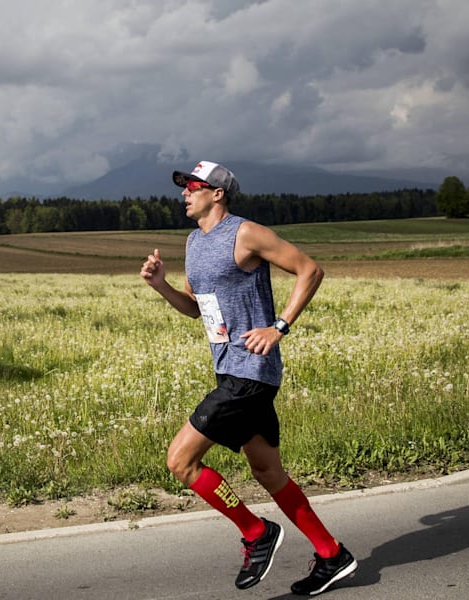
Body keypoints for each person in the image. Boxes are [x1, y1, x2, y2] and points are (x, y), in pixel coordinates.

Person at [139, 161, 357, 595]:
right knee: (267, 471)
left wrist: (279, 327)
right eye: (183, 188)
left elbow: (310, 270)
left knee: (180, 461)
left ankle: (256, 533)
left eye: (193, 187)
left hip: (250, 372)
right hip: (230, 370)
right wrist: (162, 286)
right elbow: (199, 309)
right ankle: (332, 555)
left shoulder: (245, 233)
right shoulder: (194, 241)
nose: (184, 193)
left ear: (217, 193)